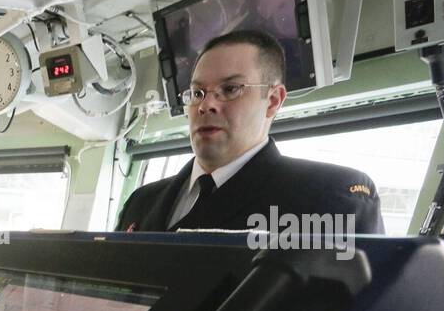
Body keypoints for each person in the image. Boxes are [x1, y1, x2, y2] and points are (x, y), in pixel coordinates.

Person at [117, 29, 383, 235]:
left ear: (273, 100)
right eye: (198, 93)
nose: (206, 105)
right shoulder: (142, 201)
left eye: (231, 89)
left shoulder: (331, 199)